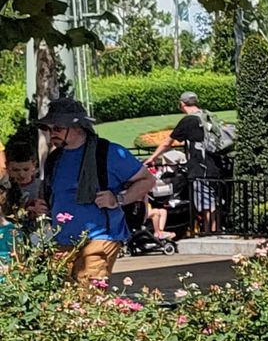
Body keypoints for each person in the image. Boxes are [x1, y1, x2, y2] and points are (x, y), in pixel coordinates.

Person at [37, 98, 155, 286]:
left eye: (57, 128)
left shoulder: (109, 152)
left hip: (100, 237)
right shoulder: (54, 158)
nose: (52, 134)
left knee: (88, 297)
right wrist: (43, 207)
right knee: (61, 303)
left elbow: (148, 180)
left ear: (77, 127)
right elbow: (54, 194)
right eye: (49, 129)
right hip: (62, 240)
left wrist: (118, 199)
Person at [145, 91, 218, 237]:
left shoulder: (188, 120)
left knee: (205, 204)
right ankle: (215, 230)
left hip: (199, 167)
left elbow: (168, 142)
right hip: (214, 164)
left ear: (182, 104)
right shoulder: (207, 116)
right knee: (213, 202)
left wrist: (153, 157)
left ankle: (210, 232)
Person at [3, 125, 50, 237]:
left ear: (34, 165)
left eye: (26, 169)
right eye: (15, 170)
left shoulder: (42, 186)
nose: (21, 174)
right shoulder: (4, 189)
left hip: (39, 235)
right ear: (7, 167)